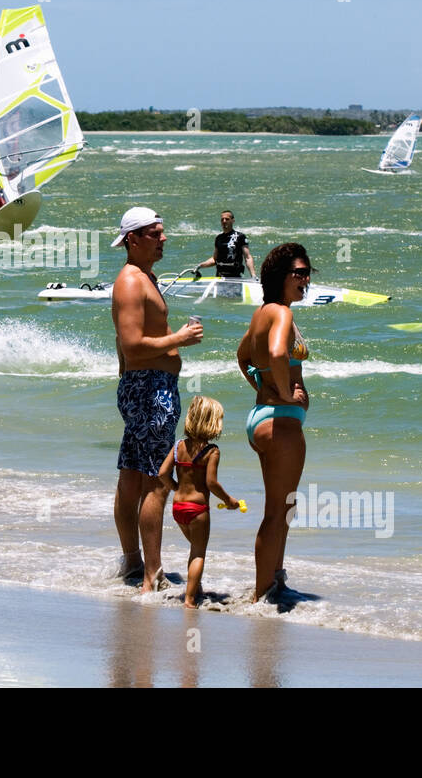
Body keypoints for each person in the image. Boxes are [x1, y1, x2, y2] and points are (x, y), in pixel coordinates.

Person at [110, 206, 204, 592]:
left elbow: (123, 346)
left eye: (162, 232)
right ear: (132, 238)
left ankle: (134, 564)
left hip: (144, 387)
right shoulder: (132, 281)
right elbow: (132, 345)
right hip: (150, 390)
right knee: (157, 482)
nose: (163, 238)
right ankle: (152, 575)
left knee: (133, 476)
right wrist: (178, 340)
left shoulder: (143, 277)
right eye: (154, 233)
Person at [236, 242, 315, 611]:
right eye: (298, 273)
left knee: (280, 509)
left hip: (263, 419)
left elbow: (242, 355)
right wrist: (285, 393)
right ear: (280, 277)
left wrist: (263, 387)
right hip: (280, 422)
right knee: (278, 511)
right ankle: (262, 594)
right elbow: (280, 354)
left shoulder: (262, 314)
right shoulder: (280, 314)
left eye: (307, 272)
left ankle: (273, 582)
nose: (305, 279)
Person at [156, 395, 239, 608]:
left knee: (194, 548)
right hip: (198, 509)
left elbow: (163, 473)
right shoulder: (212, 451)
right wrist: (229, 500)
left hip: (178, 507)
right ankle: (190, 600)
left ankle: (196, 588)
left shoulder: (178, 446)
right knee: (198, 553)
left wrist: (175, 487)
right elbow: (211, 483)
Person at [194, 210, 256, 281]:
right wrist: (200, 265)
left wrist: (253, 275)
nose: (224, 221)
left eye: (227, 219)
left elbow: (247, 257)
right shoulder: (219, 238)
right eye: (222, 219)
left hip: (235, 277)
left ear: (233, 221)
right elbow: (214, 259)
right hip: (220, 277)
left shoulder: (240, 236)